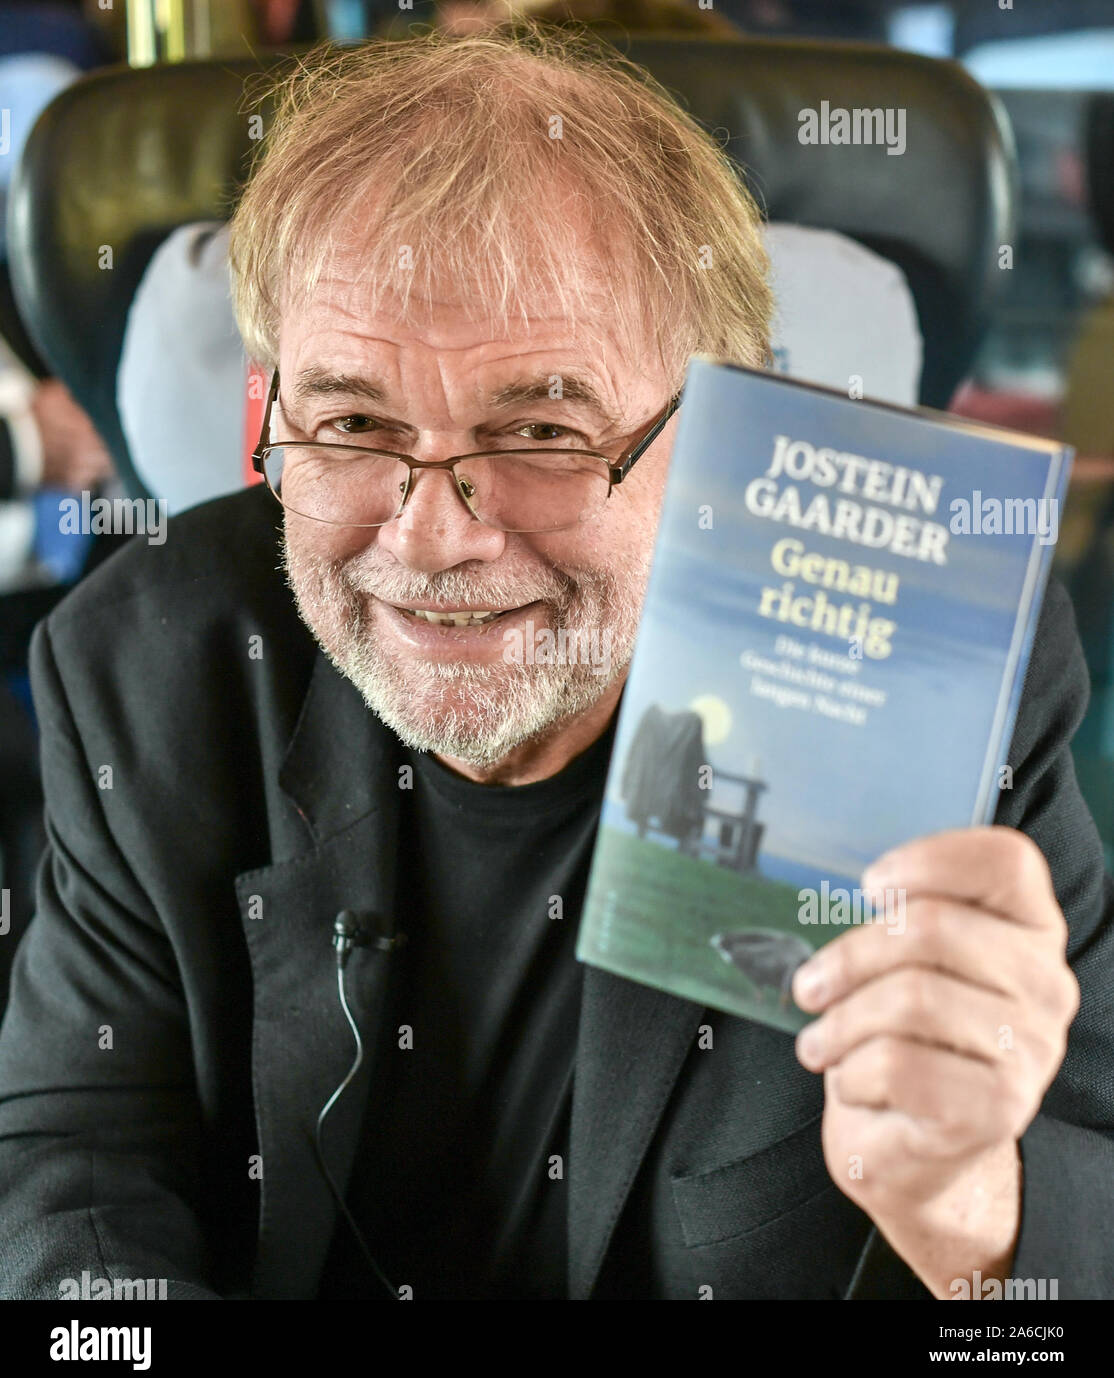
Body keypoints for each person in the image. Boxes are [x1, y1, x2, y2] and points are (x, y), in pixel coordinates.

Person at [0, 25, 1109, 1301]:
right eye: (354, 423)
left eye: (538, 427)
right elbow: (76, 1161)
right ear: (266, 417)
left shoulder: (934, 675)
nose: (431, 534)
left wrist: (975, 1216)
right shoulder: (145, 668)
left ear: (720, 426)